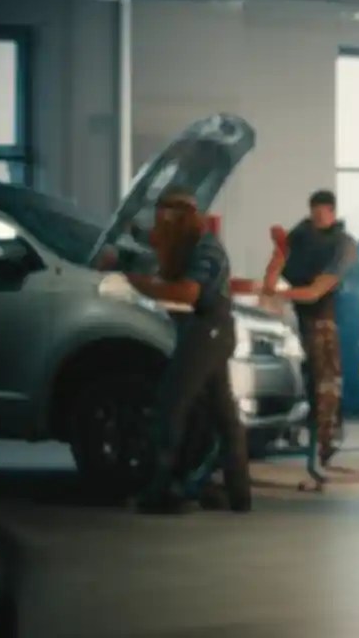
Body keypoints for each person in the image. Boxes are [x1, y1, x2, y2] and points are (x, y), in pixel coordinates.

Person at [131, 187, 252, 514]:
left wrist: (138, 283)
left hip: (208, 330)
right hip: (205, 331)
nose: (159, 225)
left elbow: (188, 293)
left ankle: (162, 489)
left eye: (164, 217)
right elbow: (146, 240)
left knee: (172, 402)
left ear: (179, 216)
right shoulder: (182, 242)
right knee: (223, 413)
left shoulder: (206, 248)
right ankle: (240, 495)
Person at [262, 190, 359, 466]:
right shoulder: (300, 234)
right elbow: (276, 266)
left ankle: (325, 443)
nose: (317, 217)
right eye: (314, 211)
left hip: (323, 318)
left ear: (333, 212)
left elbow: (316, 291)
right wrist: (277, 257)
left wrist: (278, 293)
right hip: (296, 319)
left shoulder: (342, 245)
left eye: (323, 212)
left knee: (326, 382)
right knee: (300, 379)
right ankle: (290, 433)